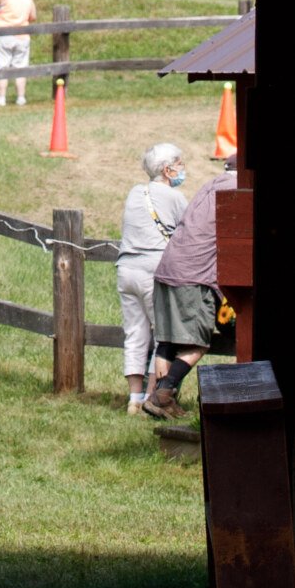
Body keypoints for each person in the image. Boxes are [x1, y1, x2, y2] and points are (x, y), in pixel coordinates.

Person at [145, 166, 236, 418]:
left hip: (167, 269)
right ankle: (162, 395)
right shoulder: (236, 190)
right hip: (193, 275)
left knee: (167, 340)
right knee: (197, 343)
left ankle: (158, 398)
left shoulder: (211, 185)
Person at [117, 144, 189, 413]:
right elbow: (187, 232)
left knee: (134, 333)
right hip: (154, 269)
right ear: (168, 169)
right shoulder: (175, 197)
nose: (182, 168)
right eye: (179, 163)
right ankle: (151, 397)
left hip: (126, 267)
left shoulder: (135, 192)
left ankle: (133, 399)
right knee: (163, 335)